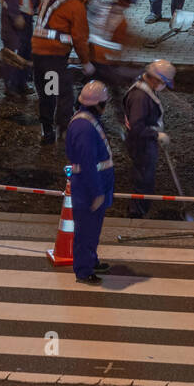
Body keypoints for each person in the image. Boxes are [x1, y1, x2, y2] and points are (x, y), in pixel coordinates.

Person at [32, 0, 96, 144]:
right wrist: (86, 62)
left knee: (47, 93)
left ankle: (47, 130)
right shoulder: (75, 6)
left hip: (38, 55)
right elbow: (80, 38)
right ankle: (64, 129)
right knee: (65, 93)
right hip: (53, 56)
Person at [67, 80, 116, 285]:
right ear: (97, 104)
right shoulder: (84, 126)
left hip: (93, 184)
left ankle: (90, 260)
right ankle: (84, 270)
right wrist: (97, 192)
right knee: (86, 230)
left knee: (92, 229)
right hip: (89, 188)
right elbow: (88, 163)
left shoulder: (85, 120)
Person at [123, 58, 175, 219]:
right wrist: (156, 135)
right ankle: (136, 213)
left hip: (144, 141)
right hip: (141, 143)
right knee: (143, 179)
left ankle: (139, 209)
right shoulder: (140, 97)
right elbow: (137, 127)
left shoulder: (144, 88)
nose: (163, 86)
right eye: (163, 82)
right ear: (155, 79)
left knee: (145, 177)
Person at [88, 0, 141, 104]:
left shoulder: (99, 5)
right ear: (129, 3)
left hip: (89, 54)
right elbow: (116, 50)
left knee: (94, 83)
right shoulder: (122, 22)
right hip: (103, 60)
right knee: (109, 85)